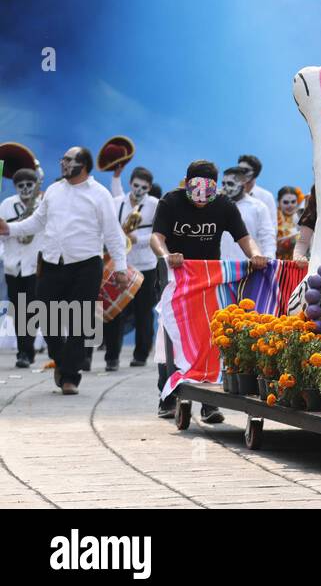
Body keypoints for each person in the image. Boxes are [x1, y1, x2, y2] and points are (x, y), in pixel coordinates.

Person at [0, 146, 127, 394]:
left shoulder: (100, 194)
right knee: (45, 316)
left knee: (79, 322)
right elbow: (38, 221)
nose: (64, 164)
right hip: (51, 263)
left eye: (69, 160)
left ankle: (70, 377)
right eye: (63, 159)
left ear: (84, 165)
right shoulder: (55, 191)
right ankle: (61, 359)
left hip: (86, 265)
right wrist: (9, 229)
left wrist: (120, 268)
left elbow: (113, 233)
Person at [151, 160, 267, 420]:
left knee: (210, 339)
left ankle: (208, 402)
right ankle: (168, 397)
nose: (201, 201)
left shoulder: (224, 206)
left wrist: (257, 255)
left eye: (207, 194)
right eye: (196, 193)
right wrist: (167, 255)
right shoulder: (171, 202)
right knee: (173, 337)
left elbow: (244, 238)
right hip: (176, 279)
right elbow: (156, 238)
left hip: (208, 282)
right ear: (186, 183)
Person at [103, 165, 159, 369]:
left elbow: (157, 234)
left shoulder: (154, 205)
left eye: (143, 188)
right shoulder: (117, 202)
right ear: (130, 184)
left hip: (145, 265)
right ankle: (112, 357)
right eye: (136, 186)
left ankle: (141, 355)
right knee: (114, 311)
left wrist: (138, 239)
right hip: (120, 265)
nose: (138, 191)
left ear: (149, 188)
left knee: (144, 312)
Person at [1, 167, 44, 368]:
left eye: (29, 185)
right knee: (18, 311)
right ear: (15, 187)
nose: (26, 189)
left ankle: (26, 351)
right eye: (21, 186)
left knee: (31, 309)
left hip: (34, 265)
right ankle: (24, 351)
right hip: (12, 265)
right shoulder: (7, 205)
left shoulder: (42, 204)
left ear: (35, 186)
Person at [219, 167, 275, 262]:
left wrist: (269, 260)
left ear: (243, 183)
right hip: (220, 267)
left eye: (230, 184)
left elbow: (267, 237)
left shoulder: (259, 207)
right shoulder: (217, 205)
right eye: (223, 184)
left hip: (248, 267)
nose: (225, 188)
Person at [274, 185, 301, 260]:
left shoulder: (301, 216)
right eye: (286, 202)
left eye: (293, 202)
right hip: (278, 264)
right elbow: (273, 246)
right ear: (279, 202)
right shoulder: (273, 218)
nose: (290, 205)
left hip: (298, 264)